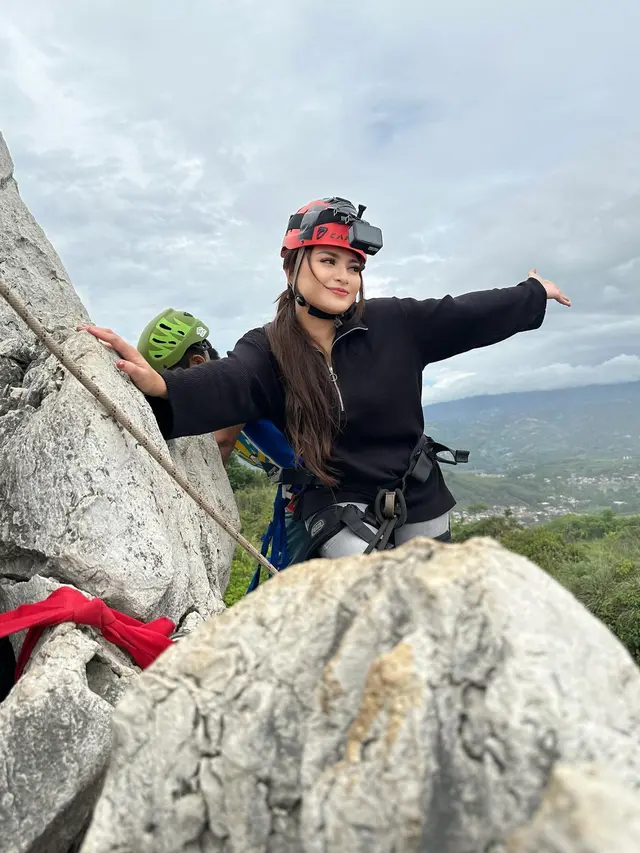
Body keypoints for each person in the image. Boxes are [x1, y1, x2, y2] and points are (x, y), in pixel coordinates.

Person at [80, 196, 571, 560]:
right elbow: (232, 381)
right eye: (328, 261)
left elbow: (463, 313)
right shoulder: (270, 348)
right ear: (293, 266)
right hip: (339, 502)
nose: (343, 277)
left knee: (432, 611)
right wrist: (164, 387)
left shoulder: (392, 324)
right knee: (370, 616)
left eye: (353, 267)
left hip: (417, 490)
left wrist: (532, 293)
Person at [135, 308, 310, 580]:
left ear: (196, 363)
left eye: (175, 383)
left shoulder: (240, 387)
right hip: (298, 490)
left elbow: (222, 443)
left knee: (298, 579)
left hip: (315, 493)